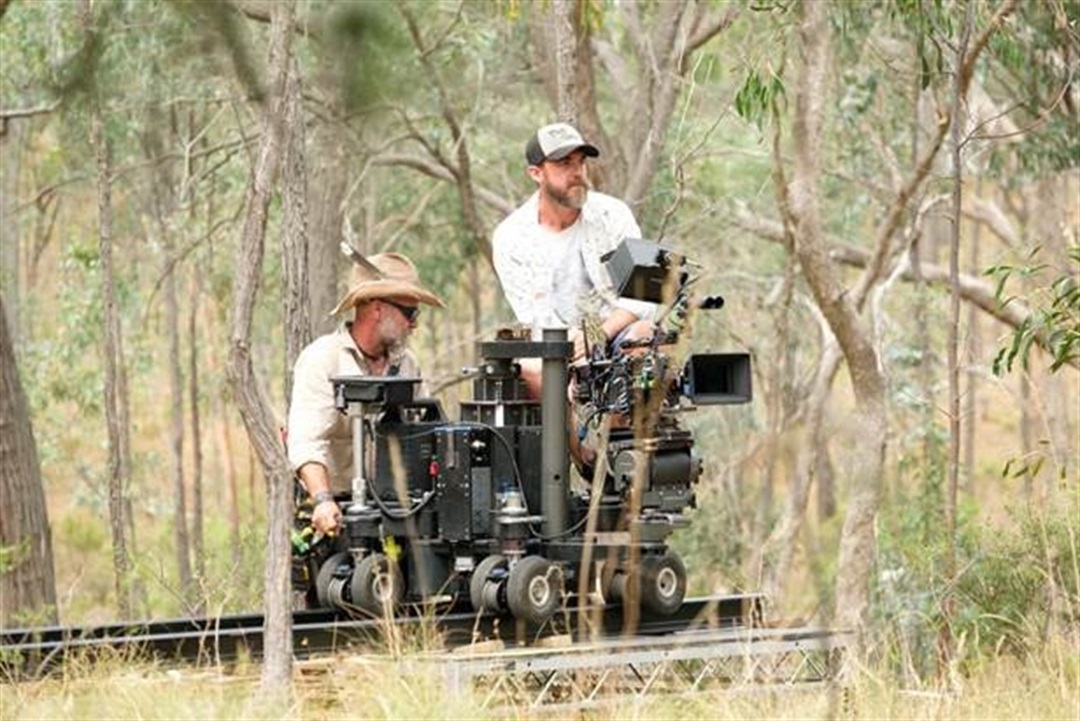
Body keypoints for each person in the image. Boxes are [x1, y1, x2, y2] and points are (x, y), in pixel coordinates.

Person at [287, 252, 444, 538]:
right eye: (409, 314)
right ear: (376, 309)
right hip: (332, 512)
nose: (414, 324)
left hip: (395, 512)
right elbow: (306, 443)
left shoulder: (406, 363)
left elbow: (425, 431)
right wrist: (323, 501)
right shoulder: (322, 360)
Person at [492, 122, 655, 395]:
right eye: (564, 164)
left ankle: (624, 430)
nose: (577, 173)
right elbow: (534, 318)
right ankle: (573, 434)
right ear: (536, 173)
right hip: (555, 347)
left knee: (645, 333)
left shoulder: (615, 213)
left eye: (580, 163)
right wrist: (574, 354)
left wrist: (598, 335)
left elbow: (646, 292)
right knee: (531, 369)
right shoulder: (509, 236)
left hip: (615, 335)